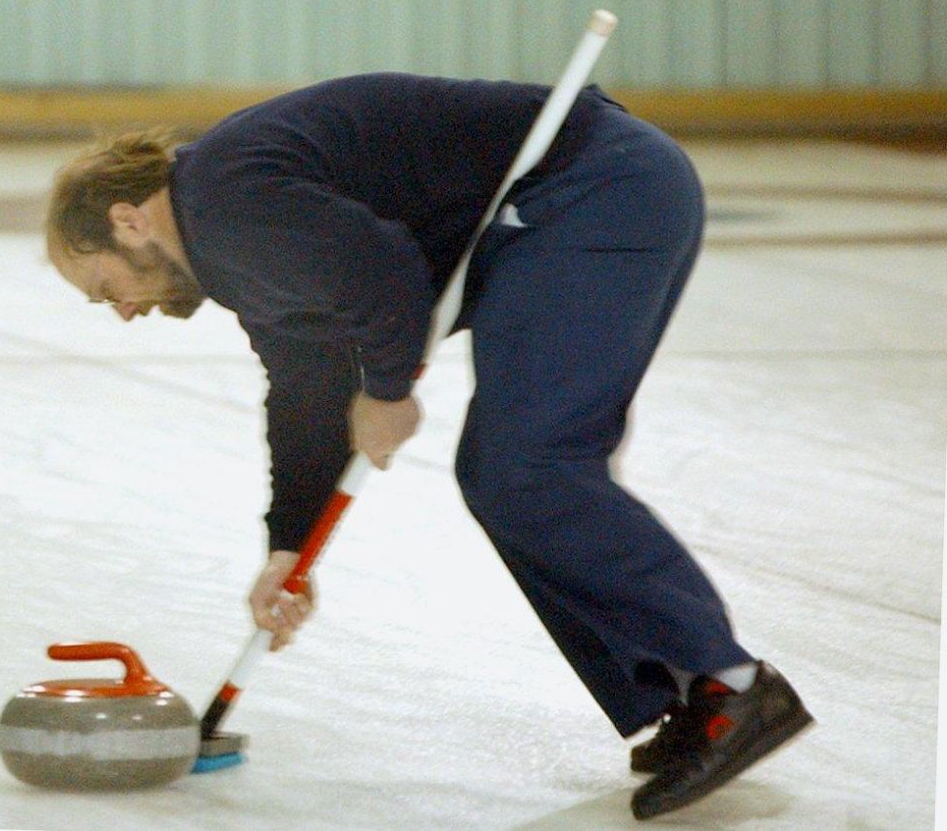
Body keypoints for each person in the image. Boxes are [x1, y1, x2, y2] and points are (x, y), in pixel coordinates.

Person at [44, 74, 812, 821]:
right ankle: (691, 692)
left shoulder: (227, 202)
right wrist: (289, 547)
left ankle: (733, 687)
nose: (122, 312)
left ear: (127, 220)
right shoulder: (234, 240)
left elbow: (381, 269)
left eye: (104, 288)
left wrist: (385, 393)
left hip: (590, 188)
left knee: (529, 465)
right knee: (502, 472)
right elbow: (305, 393)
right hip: (580, 200)